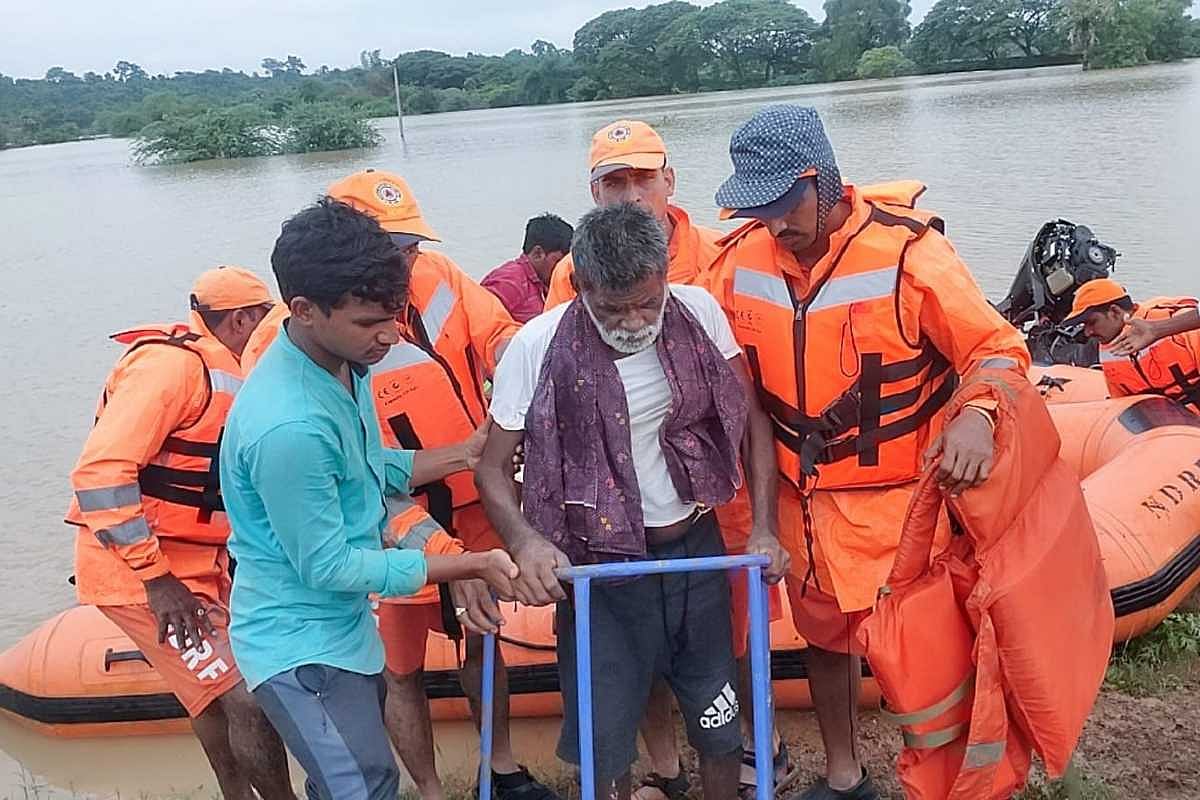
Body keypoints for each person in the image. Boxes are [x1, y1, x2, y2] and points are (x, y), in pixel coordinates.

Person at [707, 104, 1030, 800]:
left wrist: (977, 414)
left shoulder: (911, 253)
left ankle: (947, 787)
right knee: (823, 645)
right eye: (756, 208)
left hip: (901, 514)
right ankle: (844, 775)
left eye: (782, 204)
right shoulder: (735, 264)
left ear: (820, 181)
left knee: (924, 664)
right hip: (805, 511)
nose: (773, 223)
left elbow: (997, 348)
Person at [476, 203, 789, 800]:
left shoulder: (698, 313)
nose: (636, 321)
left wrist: (765, 529)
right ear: (584, 284)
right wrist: (526, 541)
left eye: (649, 302)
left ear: (666, 276)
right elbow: (492, 469)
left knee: (719, 725)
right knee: (604, 737)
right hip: (599, 570)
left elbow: (750, 421)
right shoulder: (536, 346)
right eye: (615, 309)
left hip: (695, 553)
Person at [221, 197, 520, 800]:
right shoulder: (289, 427)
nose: (390, 337)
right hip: (299, 645)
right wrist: (469, 563)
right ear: (302, 310)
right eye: (368, 324)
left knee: (367, 778)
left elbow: (364, 467)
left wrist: (464, 452)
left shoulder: (341, 365)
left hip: (345, 631)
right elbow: (329, 565)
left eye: (395, 315)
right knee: (361, 784)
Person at [322, 170, 559, 800]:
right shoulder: (312, 341)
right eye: (394, 249)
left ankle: (500, 768)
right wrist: (455, 564)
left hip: (470, 493)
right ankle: (429, 788)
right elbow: (363, 486)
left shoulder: (438, 279)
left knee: (485, 638)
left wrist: (521, 379)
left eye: (412, 246)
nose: (409, 260)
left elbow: (500, 336)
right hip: (388, 522)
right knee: (401, 669)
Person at [66, 266, 294, 800]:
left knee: (210, 696)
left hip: (196, 563)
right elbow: (101, 475)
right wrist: (156, 579)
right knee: (248, 697)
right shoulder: (170, 368)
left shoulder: (228, 371)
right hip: (141, 573)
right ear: (241, 320)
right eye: (267, 325)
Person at [1064, 278, 1200, 411]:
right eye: (1084, 325)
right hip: (1166, 426)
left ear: (1115, 312)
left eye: (1092, 322)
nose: (1088, 333)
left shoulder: (1178, 324)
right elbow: (1121, 404)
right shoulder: (1107, 351)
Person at [482, 213, 574, 323]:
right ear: (538, 254)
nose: (564, 269)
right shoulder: (510, 282)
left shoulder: (544, 283)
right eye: (559, 262)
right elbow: (480, 321)